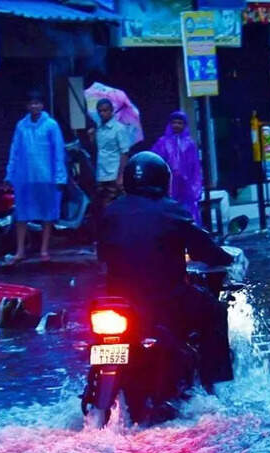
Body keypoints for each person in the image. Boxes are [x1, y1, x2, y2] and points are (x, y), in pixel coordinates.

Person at [97, 151, 234, 388]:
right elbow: (204, 249)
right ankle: (216, 386)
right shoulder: (171, 210)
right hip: (165, 299)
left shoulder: (110, 212)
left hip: (118, 304)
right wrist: (225, 258)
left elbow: (102, 255)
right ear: (162, 180)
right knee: (216, 312)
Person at [4, 90, 66, 264]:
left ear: (42, 105)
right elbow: (14, 151)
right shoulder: (21, 126)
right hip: (25, 178)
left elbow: (58, 152)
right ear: (27, 106)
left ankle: (44, 250)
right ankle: (20, 251)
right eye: (31, 103)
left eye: (37, 103)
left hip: (47, 176)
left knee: (47, 214)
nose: (34, 106)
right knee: (22, 215)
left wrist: (60, 177)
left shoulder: (51, 125)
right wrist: (10, 174)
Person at [151, 111, 204, 225]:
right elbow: (155, 160)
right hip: (168, 183)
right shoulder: (162, 142)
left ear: (185, 125)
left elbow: (195, 167)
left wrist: (196, 186)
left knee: (187, 210)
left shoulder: (190, 144)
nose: (176, 125)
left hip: (186, 185)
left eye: (180, 123)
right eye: (174, 122)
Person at [89, 98, 131, 216]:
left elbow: (125, 153)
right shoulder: (98, 129)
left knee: (115, 206)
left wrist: (121, 176)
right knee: (102, 207)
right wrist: (92, 137)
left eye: (105, 110)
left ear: (111, 111)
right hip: (101, 174)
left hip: (113, 173)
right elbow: (98, 150)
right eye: (100, 111)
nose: (102, 113)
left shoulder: (119, 128)